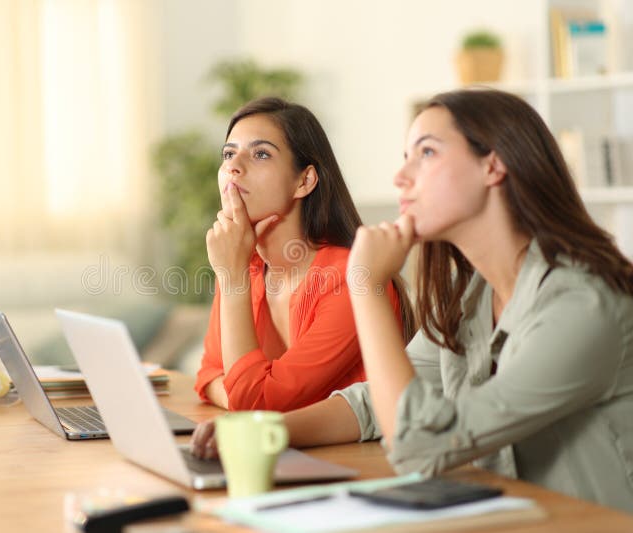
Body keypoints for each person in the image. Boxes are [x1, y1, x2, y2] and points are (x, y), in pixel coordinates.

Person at [192, 89, 633, 513]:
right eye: (406, 157)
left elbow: (420, 443)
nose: (401, 178)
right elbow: (370, 405)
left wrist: (364, 284)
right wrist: (262, 433)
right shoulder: (471, 298)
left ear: (492, 167)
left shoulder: (582, 305)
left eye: (426, 153)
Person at [195, 97, 414, 412]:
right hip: (286, 453)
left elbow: (256, 401)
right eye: (228, 153)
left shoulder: (348, 280)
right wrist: (244, 394)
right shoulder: (244, 262)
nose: (233, 166)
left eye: (260, 153)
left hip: (356, 460)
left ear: (304, 181)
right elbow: (208, 375)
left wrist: (232, 280)